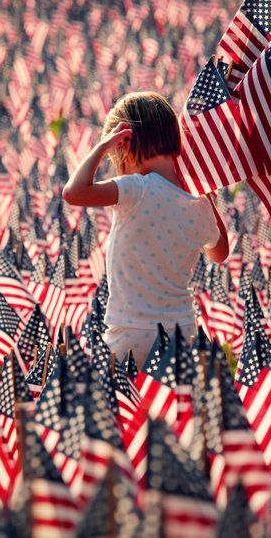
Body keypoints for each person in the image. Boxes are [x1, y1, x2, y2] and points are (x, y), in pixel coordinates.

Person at [62, 91, 229, 367]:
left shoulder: (136, 189)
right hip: (183, 333)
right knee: (176, 407)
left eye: (115, 155)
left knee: (117, 407)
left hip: (131, 333)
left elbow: (74, 193)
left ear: (125, 146)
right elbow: (220, 253)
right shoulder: (198, 204)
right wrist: (206, 195)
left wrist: (103, 145)